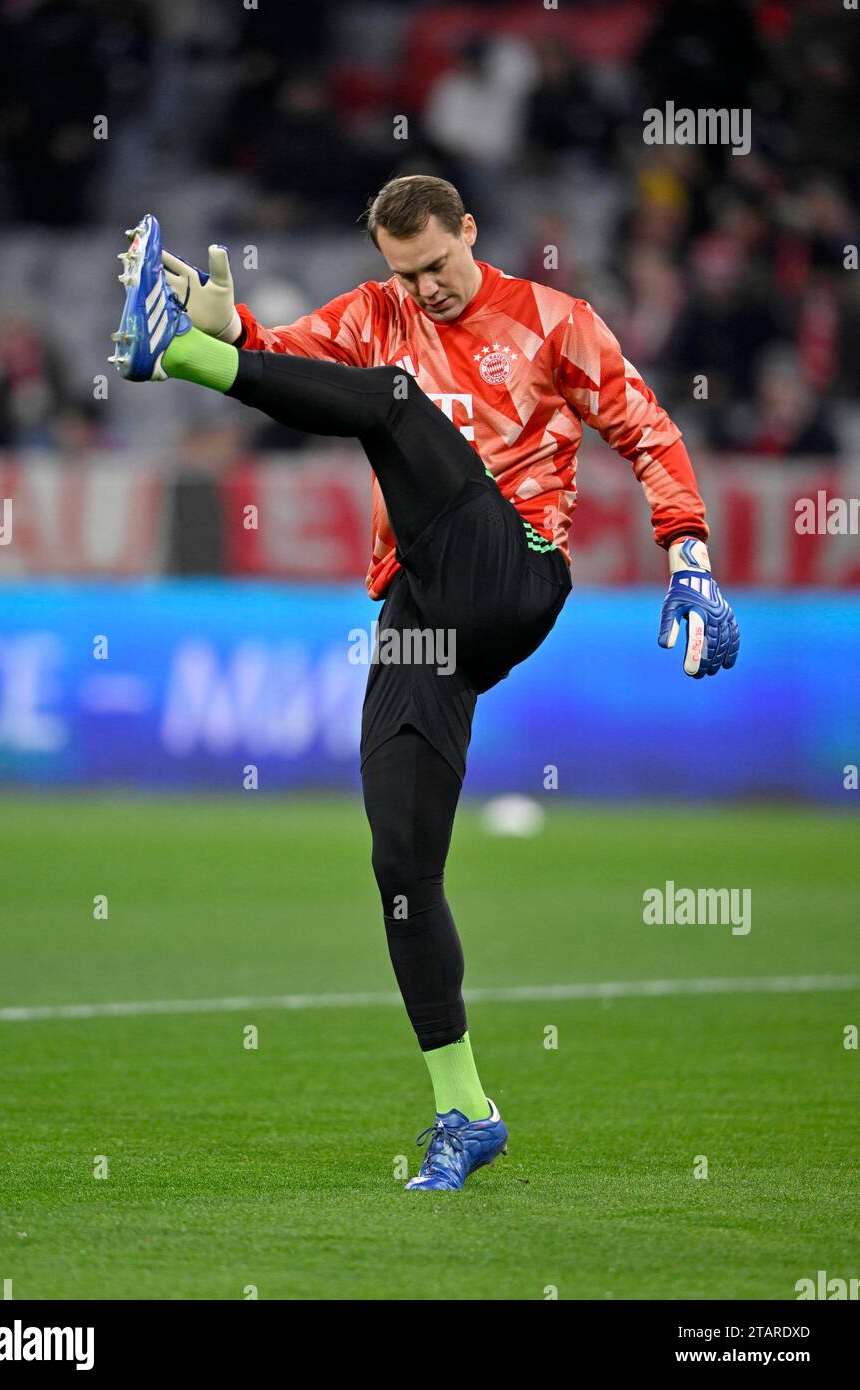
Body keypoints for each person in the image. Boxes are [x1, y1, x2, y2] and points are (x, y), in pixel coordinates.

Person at [110, 176, 739, 1191]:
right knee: (400, 866)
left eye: (438, 265)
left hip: (514, 570)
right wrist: (243, 332)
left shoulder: (552, 321)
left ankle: (172, 355)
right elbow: (298, 375)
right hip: (421, 618)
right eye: (406, 272)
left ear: (470, 235)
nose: (426, 288)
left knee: (393, 397)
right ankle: (465, 1109)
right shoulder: (373, 314)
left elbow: (645, 429)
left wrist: (690, 557)